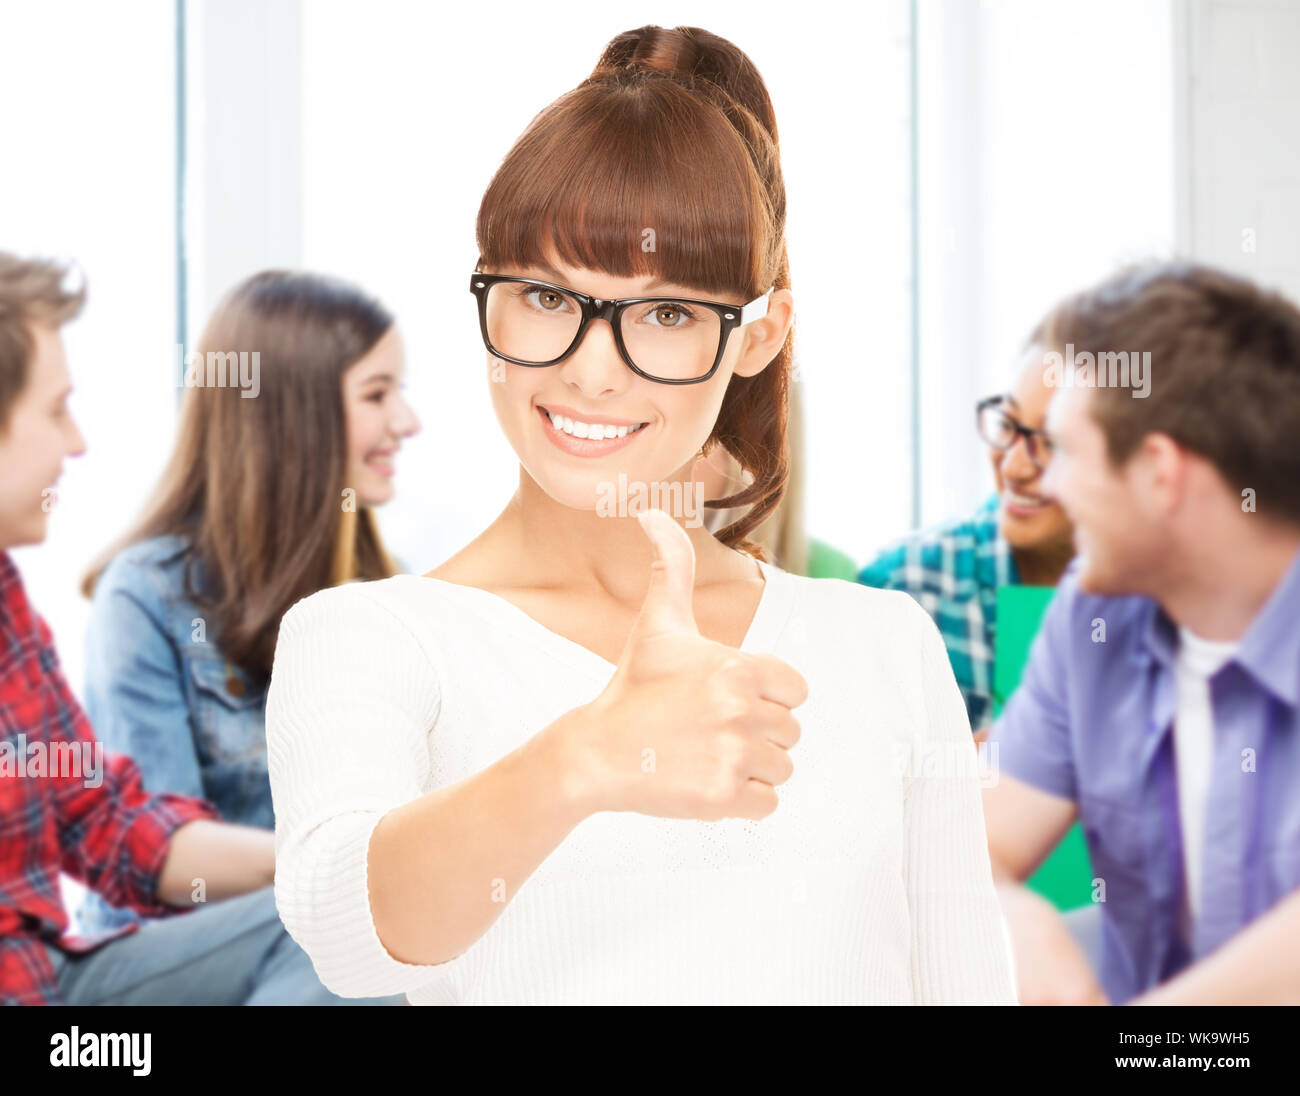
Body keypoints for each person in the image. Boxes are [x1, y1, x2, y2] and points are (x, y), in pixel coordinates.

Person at [265, 25, 1015, 1005]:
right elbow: (347, 935)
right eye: (544, 294)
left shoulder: (880, 643)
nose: (589, 369)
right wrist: (587, 756)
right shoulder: (371, 636)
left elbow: (964, 988)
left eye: (665, 314)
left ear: (758, 334)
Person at [0, 251, 396, 1005]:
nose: (76, 443)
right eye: (55, 411)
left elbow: (109, 824)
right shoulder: (146, 595)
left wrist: (341, 866)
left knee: (350, 929)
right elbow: (134, 899)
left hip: (52, 982)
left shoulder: (6, 605)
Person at [984, 261, 1300, 1005]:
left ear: (1160, 473)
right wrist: (1017, 923)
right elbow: (971, 843)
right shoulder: (1091, 621)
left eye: (1064, 450)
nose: (1046, 484)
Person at [75, 271, 419, 944]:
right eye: (378, 395)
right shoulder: (145, 597)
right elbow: (155, 871)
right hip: (189, 962)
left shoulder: (389, 590)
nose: (407, 421)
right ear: (291, 416)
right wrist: (350, 875)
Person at [858, 339, 1076, 735]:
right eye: (1008, 426)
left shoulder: (1180, 602)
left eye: (1053, 442)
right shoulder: (901, 588)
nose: (1014, 466)